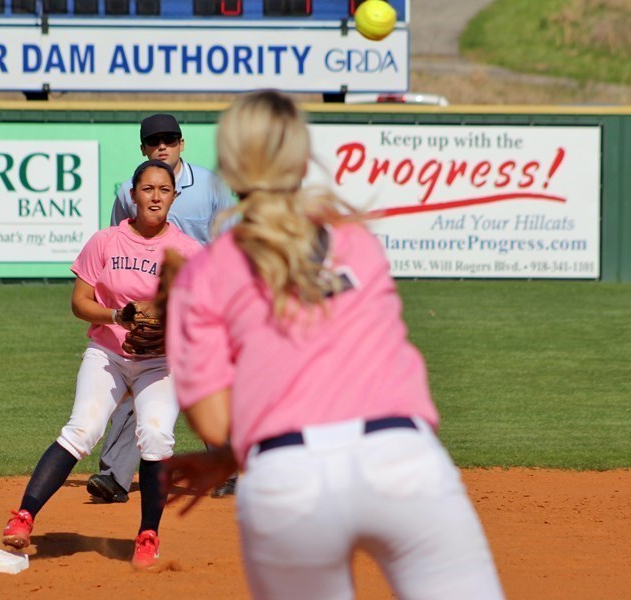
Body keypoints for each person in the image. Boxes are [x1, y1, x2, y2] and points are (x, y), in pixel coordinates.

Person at [162, 91, 506, 599]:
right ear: (303, 162)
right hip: (404, 464)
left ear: (228, 173)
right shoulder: (356, 242)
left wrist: (178, 321)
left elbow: (214, 422)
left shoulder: (205, 273)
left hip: (287, 482)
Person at [1, 159, 202, 569]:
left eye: (164, 190)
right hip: (108, 352)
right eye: (147, 189)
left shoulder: (187, 252)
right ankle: (24, 516)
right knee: (82, 429)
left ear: (174, 197)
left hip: (159, 362)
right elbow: (79, 303)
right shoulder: (105, 241)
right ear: (132, 195)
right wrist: (117, 316)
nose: (156, 197)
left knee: (157, 435)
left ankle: (148, 535)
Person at [87, 113, 239, 504]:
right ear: (142, 147)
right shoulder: (128, 191)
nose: (162, 146)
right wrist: (119, 313)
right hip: (150, 304)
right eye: (154, 141)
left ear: (182, 143)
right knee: (138, 374)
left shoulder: (210, 185)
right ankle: (115, 477)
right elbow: (116, 247)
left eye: (170, 139)